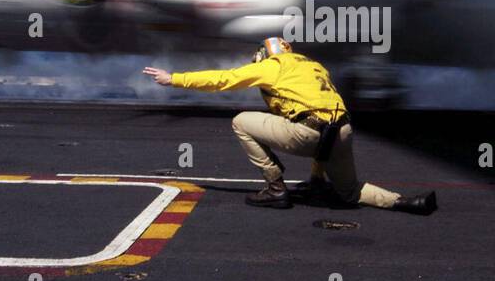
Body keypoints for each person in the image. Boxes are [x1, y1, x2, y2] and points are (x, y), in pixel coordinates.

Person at [142, 37, 437, 215]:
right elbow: (328, 119)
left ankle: (275, 188)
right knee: (349, 191)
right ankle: (408, 202)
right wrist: (317, 175)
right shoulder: (313, 65)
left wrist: (175, 79)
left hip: (308, 132)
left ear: (266, 53)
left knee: (241, 122)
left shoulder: (274, 66)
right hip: (343, 130)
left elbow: (225, 79)